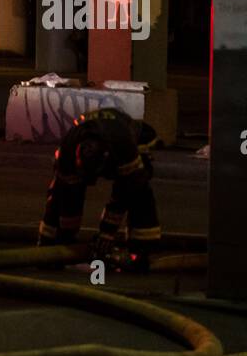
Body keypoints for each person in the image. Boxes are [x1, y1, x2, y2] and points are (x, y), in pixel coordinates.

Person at [37, 107, 161, 271]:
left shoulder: (123, 144)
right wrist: (58, 244)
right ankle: (52, 245)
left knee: (139, 190)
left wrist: (107, 233)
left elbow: (124, 192)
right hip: (95, 147)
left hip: (129, 144)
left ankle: (142, 250)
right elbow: (65, 197)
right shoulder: (67, 151)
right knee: (60, 193)